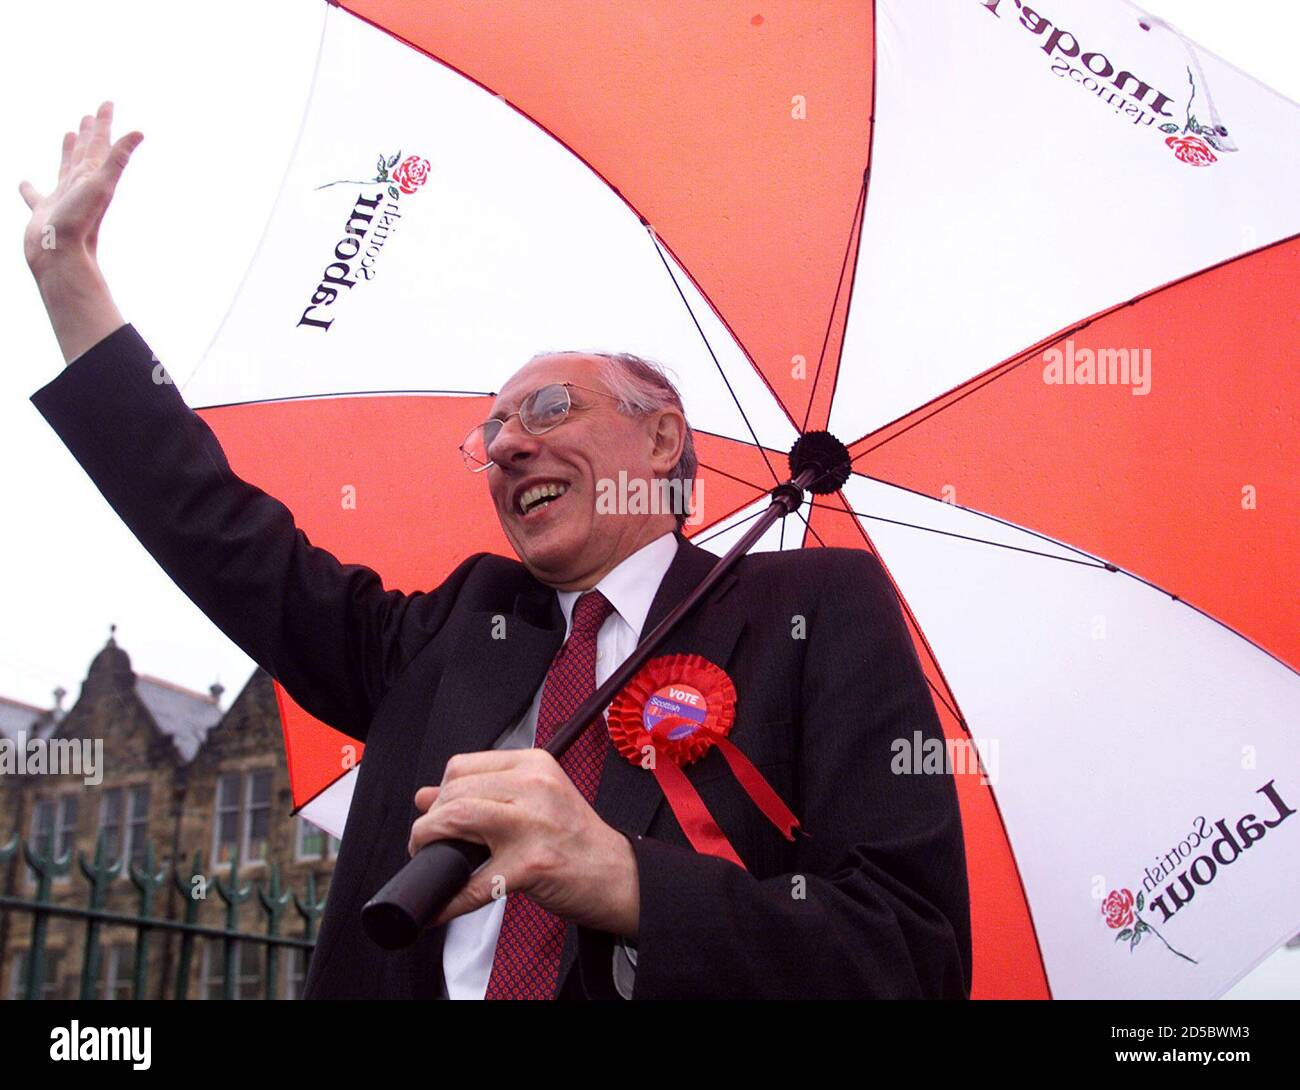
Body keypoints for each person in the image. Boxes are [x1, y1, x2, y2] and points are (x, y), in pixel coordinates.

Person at [19, 102, 972, 999]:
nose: (509, 442)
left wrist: (627, 882)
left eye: (550, 409)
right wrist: (70, 284)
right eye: (492, 430)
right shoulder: (445, 631)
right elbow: (220, 534)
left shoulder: (816, 607)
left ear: (660, 440)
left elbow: (907, 951)